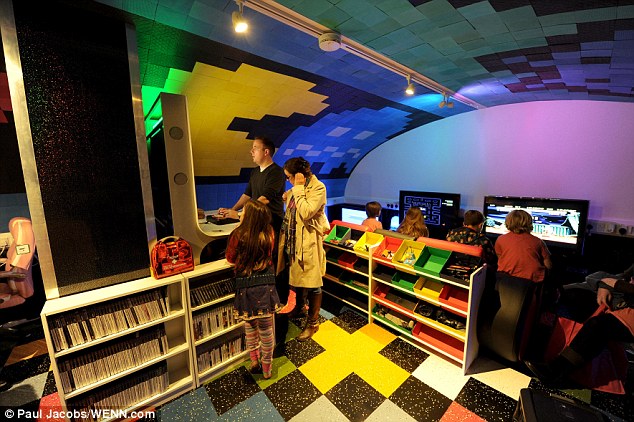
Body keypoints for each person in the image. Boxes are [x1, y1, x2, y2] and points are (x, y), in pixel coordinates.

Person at [525, 264, 634, 384]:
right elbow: (624, 275)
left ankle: (556, 372)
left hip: (628, 310)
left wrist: (613, 284)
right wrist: (605, 284)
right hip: (621, 300)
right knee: (570, 293)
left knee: (598, 325)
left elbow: (620, 282)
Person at [225, 200, 282, 379]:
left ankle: (254, 361)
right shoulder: (269, 233)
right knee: (266, 330)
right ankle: (267, 369)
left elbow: (230, 258)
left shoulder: (238, 234)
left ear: (248, 216)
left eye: (243, 211)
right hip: (266, 287)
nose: (240, 213)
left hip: (245, 288)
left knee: (250, 327)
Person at [276, 157, 329, 342]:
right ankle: (299, 308)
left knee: (313, 285)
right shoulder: (296, 189)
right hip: (295, 243)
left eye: (289, 177)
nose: (288, 180)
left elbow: (306, 211)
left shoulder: (318, 188)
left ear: (299, 175)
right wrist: (291, 193)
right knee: (297, 280)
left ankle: (313, 323)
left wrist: (296, 189)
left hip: (309, 244)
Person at [218, 136, 285, 234]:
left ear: (266, 152)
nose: (251, 151)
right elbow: (247, 195)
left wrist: (241, 214)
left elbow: (264, 199)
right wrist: (231, 211)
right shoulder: (255, 171)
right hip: (255, 220)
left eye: (255, 148)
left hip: (270, 223)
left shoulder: (276, 172)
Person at [495, 209, 552, 283]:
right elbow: (548, 265)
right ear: (529, 223)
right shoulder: (538, 241)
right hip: (532, 281)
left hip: (506, 280)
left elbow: (500, 258)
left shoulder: (500, 239)